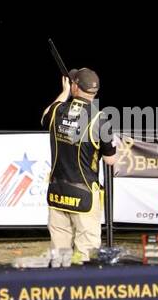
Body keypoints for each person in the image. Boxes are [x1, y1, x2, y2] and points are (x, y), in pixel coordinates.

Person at [41, 68, 116, 262]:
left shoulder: (58, 110)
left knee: (60, 256)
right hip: (84, 195)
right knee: (86, 257)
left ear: (74, 86)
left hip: (58, 191)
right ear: (95, 92)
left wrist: (64, 93)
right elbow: (110, 160)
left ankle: (59, 289)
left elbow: (45, 116)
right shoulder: (101, 120)